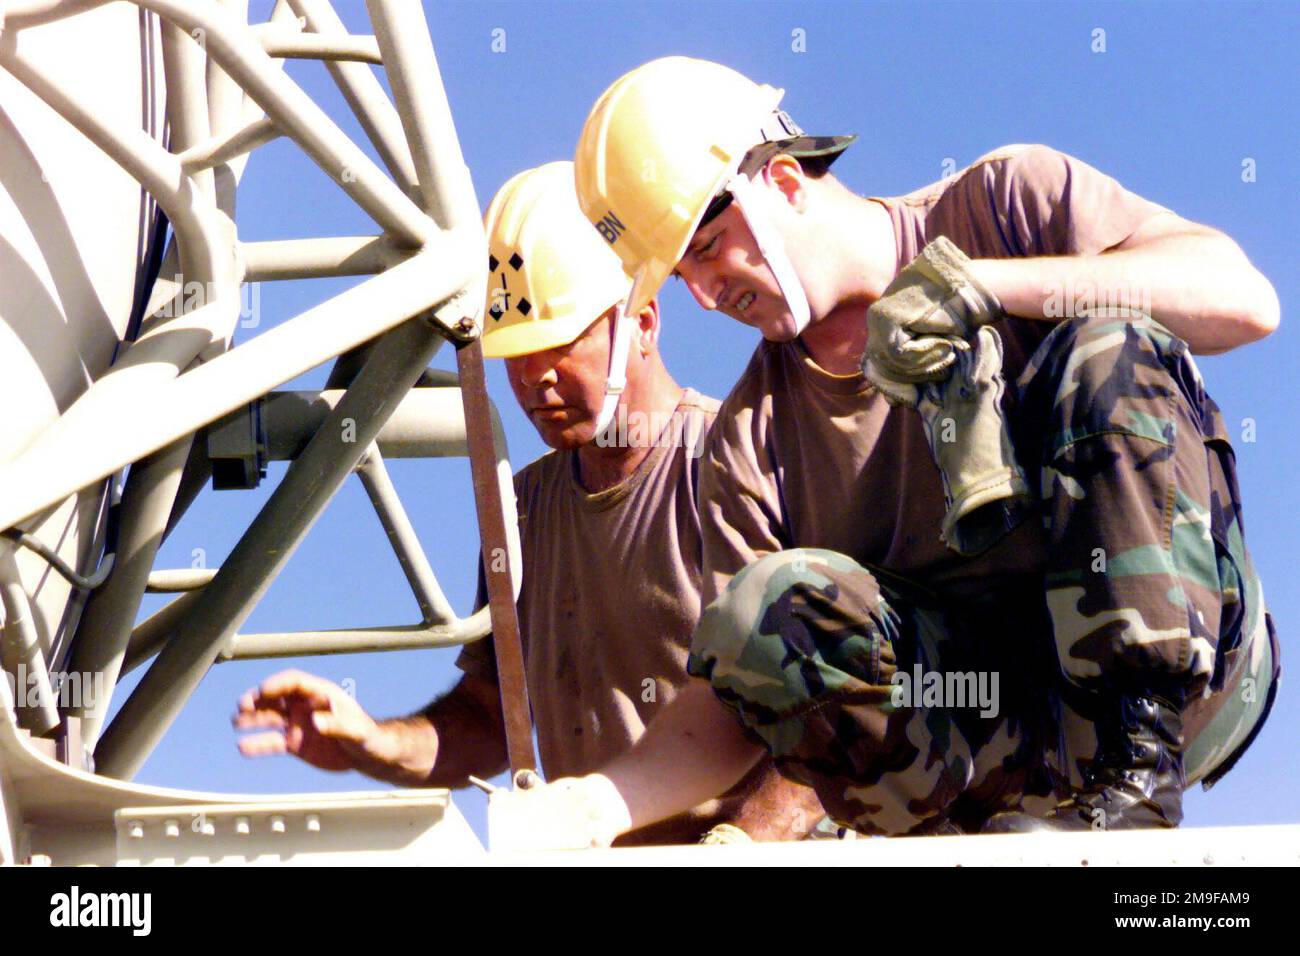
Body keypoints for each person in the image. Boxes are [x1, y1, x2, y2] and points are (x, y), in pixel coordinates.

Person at [499, 57, 1280, 844]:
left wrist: (991, 288)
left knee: (1106, 343)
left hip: (1185, 684)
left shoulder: (1004, 205)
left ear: (782, 183)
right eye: (678, 277)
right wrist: (595, 805)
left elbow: (1243, 301)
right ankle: (985, 818)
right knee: (763, 612)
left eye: (706, 250)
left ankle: (1137, 768)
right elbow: (726, 707)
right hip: (1001, 742)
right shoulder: (751, 438)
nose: (703, 295)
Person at [233, 161, 821, 845]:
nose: (534, 376)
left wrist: (743, 850)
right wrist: (372, 741)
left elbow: (832, 706)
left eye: (556, 342)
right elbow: (492, 720)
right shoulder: (523, 511)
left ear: (643, 324)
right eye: (513, 352)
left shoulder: (739, 463)